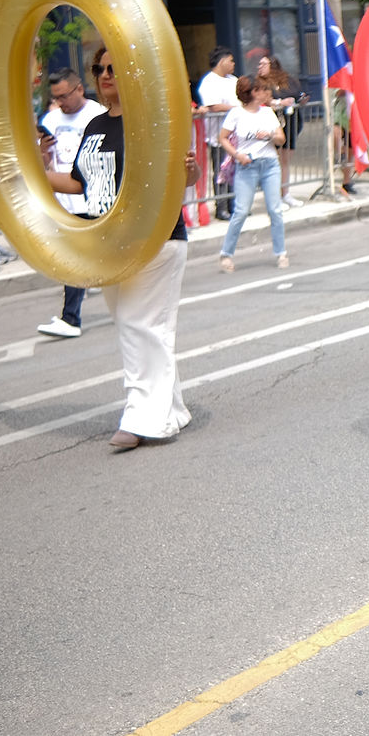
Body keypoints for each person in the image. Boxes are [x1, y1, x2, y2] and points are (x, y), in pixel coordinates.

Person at [46, 49, 200, 451]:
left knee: (139, 326)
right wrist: (34, 175)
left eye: (115, 68)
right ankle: (172, 409)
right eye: (99, 69)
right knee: (143, 328)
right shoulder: (96, 123)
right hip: (109, 243)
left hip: (155, 240)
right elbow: (81, 182)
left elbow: (184, 177)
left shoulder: (150, 120)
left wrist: (191, 171)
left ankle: (144, 418)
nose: (106, 75)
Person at [36, 68, 105, 338]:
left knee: (75, 258)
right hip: (63, 198)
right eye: (56, 97)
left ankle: (70, 319)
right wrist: (42, 150)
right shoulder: (50, 119)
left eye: (64, 96)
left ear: (79, 89)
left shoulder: (97, 115)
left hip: (92, 196)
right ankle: (76, 306)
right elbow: (44, 163)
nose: (61, 102)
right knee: (75, 258)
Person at [217, 75, 288, 272]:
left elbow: (281, 138)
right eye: (262, 90)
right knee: (240, 211)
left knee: (275, 209)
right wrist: (237, 155)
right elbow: (222, 138)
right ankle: (226, 254)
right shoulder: (236, 114)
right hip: (247, 165)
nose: (267, 93)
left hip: (269, 164)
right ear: (254, 92)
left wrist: (271, 135)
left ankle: (281, 252)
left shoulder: (267, 113)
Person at [256, 54, 305, 208]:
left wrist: (300, 99)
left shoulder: (288, 81)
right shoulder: (259, 83)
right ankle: (273, 197)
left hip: (290, 122)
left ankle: (286, 194)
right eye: (259, 64)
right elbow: (261, 100)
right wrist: (279, 102)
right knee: (273, 162)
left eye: (264, 64)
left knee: (285, 160)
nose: (260, 67)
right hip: (271, 124)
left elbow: (297, 94)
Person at [197, 48, 239, 220]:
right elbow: (214, 106)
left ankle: (233, 204)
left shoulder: (233, 80)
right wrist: (237, 108)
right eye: (231, 60)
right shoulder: (209, 81)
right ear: (222, 61)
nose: (233, 64)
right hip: (218, 136)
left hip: (236, 135)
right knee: (221, 171)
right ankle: (221, 207)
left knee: (234, 171)